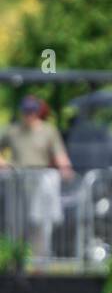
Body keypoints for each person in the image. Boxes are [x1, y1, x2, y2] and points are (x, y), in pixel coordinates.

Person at [0, 94, 74, 258]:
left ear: (37, 112)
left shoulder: (48, 130)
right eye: (26, 111)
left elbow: (59, 153)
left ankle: (40, 257)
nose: (29, 115)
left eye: (32, 111)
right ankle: (15, 256)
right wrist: (3, 162)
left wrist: (65, 167)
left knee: (40, 221)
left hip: (41, 178)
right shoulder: (13, 130)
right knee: (15, 221)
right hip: (17, 179)